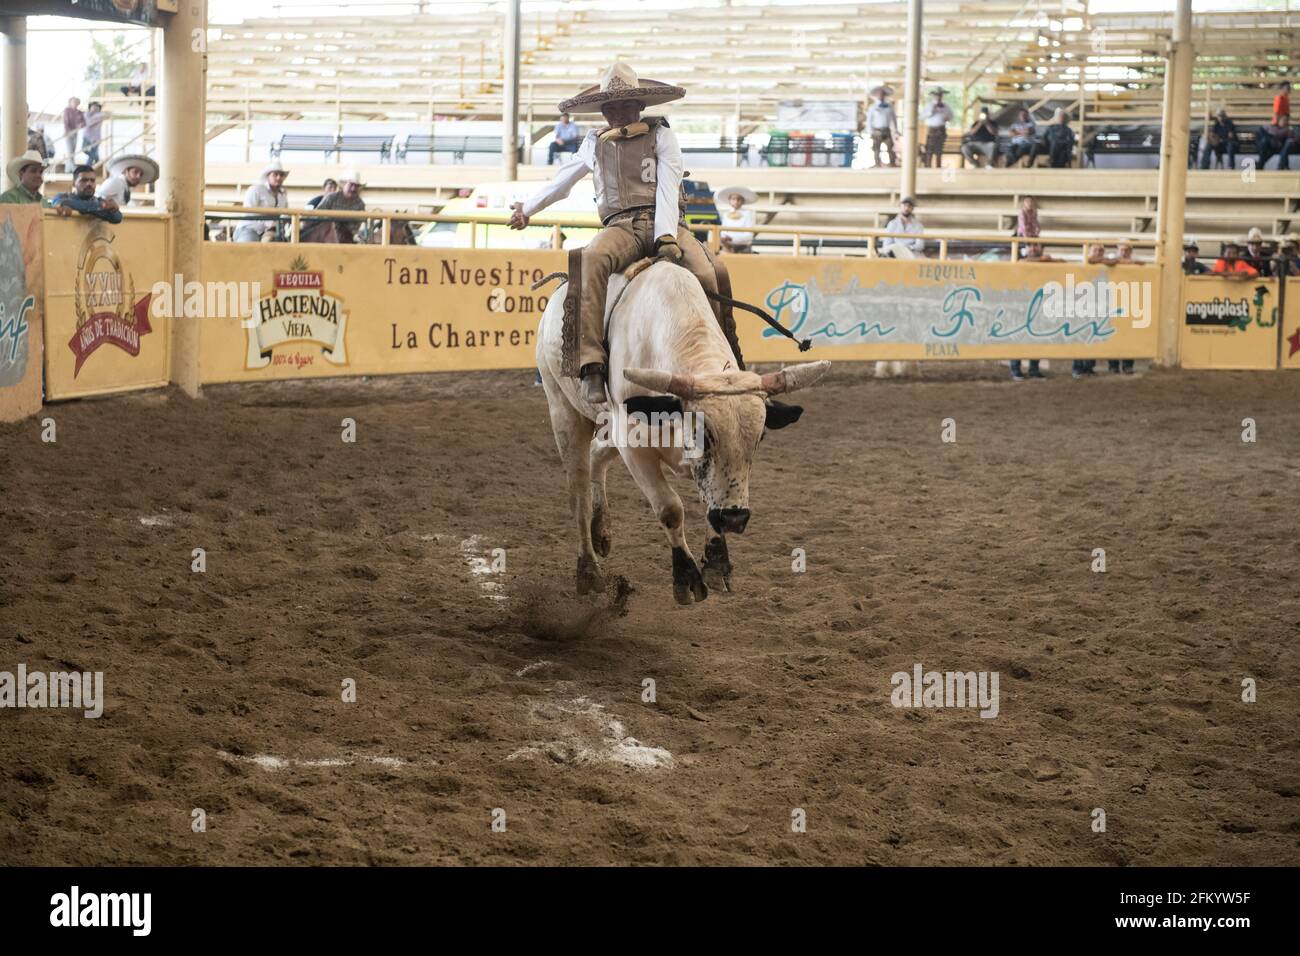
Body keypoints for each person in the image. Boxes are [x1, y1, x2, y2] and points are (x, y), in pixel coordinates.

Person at [508, 62, 735, 404]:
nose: (617, 113)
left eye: (624, 105)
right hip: (621, 226)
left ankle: (729, 364)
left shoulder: (662, 135)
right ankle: (591, 365)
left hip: (668, 223)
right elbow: (562, 181)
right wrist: (527, 208)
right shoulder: (593, 143)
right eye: (610, 107)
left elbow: (669, 184)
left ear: (639, 107)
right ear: (603, 111)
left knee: (712, 271)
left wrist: (665, 236)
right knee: (588, 262)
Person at [303, 170, 366, 243]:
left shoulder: (360, 205)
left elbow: (354, 227)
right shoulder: (331, 198)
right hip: (324, 234)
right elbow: (318, 215)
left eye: (356, 186)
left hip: (345, 236)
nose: (353, 188)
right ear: (344, 185)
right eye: (351, 185)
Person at [235, 160, 290, 242]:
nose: (278, 177)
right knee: (248, 247)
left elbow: (285, 214)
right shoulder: (256, 189)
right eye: (275, 174)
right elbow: (249, 213)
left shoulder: (283, 195)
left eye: (281, 175)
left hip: (271, 231)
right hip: (249, 228)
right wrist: (271, 223)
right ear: (268, 176)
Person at [1, 150, 69, 215]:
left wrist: (57, 210)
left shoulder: (44, 202)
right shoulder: (8, 197)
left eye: (41, 172)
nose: (38, 175)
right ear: (21, 174)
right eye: (33, 171)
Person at [53, 165, 122, 223]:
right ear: (74, 183)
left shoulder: (99, 201)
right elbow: (60, 202)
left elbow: (117, 218)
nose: (89, 184)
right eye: (84, 180)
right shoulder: (62, 197)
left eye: (92, 180)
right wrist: (100, 207)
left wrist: (113, 208)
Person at [715, 185, 756, 254]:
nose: (736, 201)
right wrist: (724, 238)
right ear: (729, 200)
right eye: (733, 199)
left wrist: (732, 239)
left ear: (743, 201)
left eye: (739, 199)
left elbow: (749, 235)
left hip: (743, 247)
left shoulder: (748, 214)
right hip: (727, 246)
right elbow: (723, 231)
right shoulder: (726, 214)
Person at [866, 86, 898, 167]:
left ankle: (892, 164)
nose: (881, 96)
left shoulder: (889, 106)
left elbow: (894, 119)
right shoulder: (872, 107)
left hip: (886, 130)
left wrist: (896, 130)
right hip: (877, 131)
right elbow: (869, 121)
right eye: (879, 94)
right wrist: (870, 132)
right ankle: (877, 164)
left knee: (890, 148)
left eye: (883, 94)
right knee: (876, 149)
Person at [921, 88, 952, 168]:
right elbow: (922, 116)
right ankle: (928, 166)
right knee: (929, 149)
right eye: (937, 95)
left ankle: (938, 166)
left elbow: (951, 116)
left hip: (941, 129)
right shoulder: (929, 105)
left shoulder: (946, 106)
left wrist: (946, 117)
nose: (938, 97)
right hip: (932, 129)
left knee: (939, 149)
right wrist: (932, 110)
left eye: (940, 95)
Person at [60, 97, 85, 170]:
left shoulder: (79, 112)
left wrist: (81, 125)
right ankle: (74, 168)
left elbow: (84, 122)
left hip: (75, 132)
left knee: (73, 151)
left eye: (76, 102)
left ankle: (67, 169)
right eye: (73, 102)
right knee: (70, 151)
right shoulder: (67, 110)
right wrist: (66, 131)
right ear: (70, 102)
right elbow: (66, 121)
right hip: (68, 132)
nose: (75, 104)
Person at [81, 102, 106, 166]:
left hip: (96, 137)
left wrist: (86, 122)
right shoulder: (86, 114)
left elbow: (89, 123)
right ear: (90, 107)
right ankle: (97, 159)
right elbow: (85, 121)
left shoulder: (100, 115)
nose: (94, 108)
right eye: (93, 107)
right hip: (86, 136)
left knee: (93, 152)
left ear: (99, 108)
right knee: (84, 150)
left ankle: (87, 167)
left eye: (96, 107)